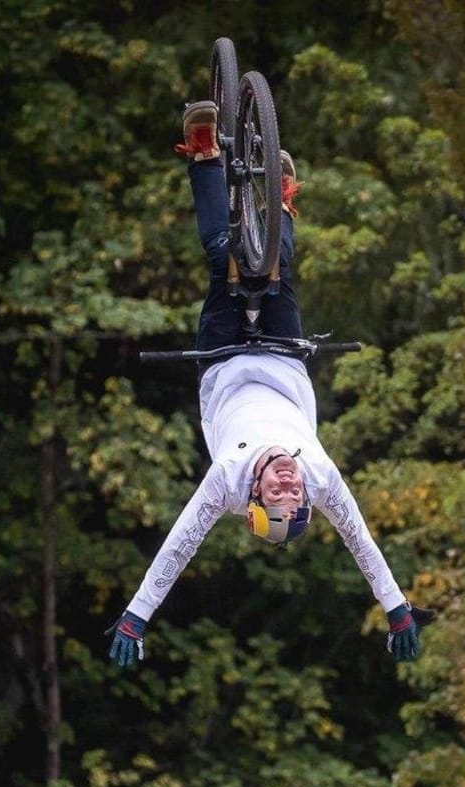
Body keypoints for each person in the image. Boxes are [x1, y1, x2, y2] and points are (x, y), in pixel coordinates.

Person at [106, 100, 427, 668]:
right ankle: (277, 207)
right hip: (282, 363)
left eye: (278, 493)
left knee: (220, 258)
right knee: (278, 271)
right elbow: (361, 544)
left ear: (254, 496)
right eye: (294, 494)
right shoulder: (320, 477)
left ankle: (204, 154)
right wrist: (397, 607)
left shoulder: (226, 481)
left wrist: (136, 618)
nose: (289, 484)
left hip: (224, 363)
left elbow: (179, 548)